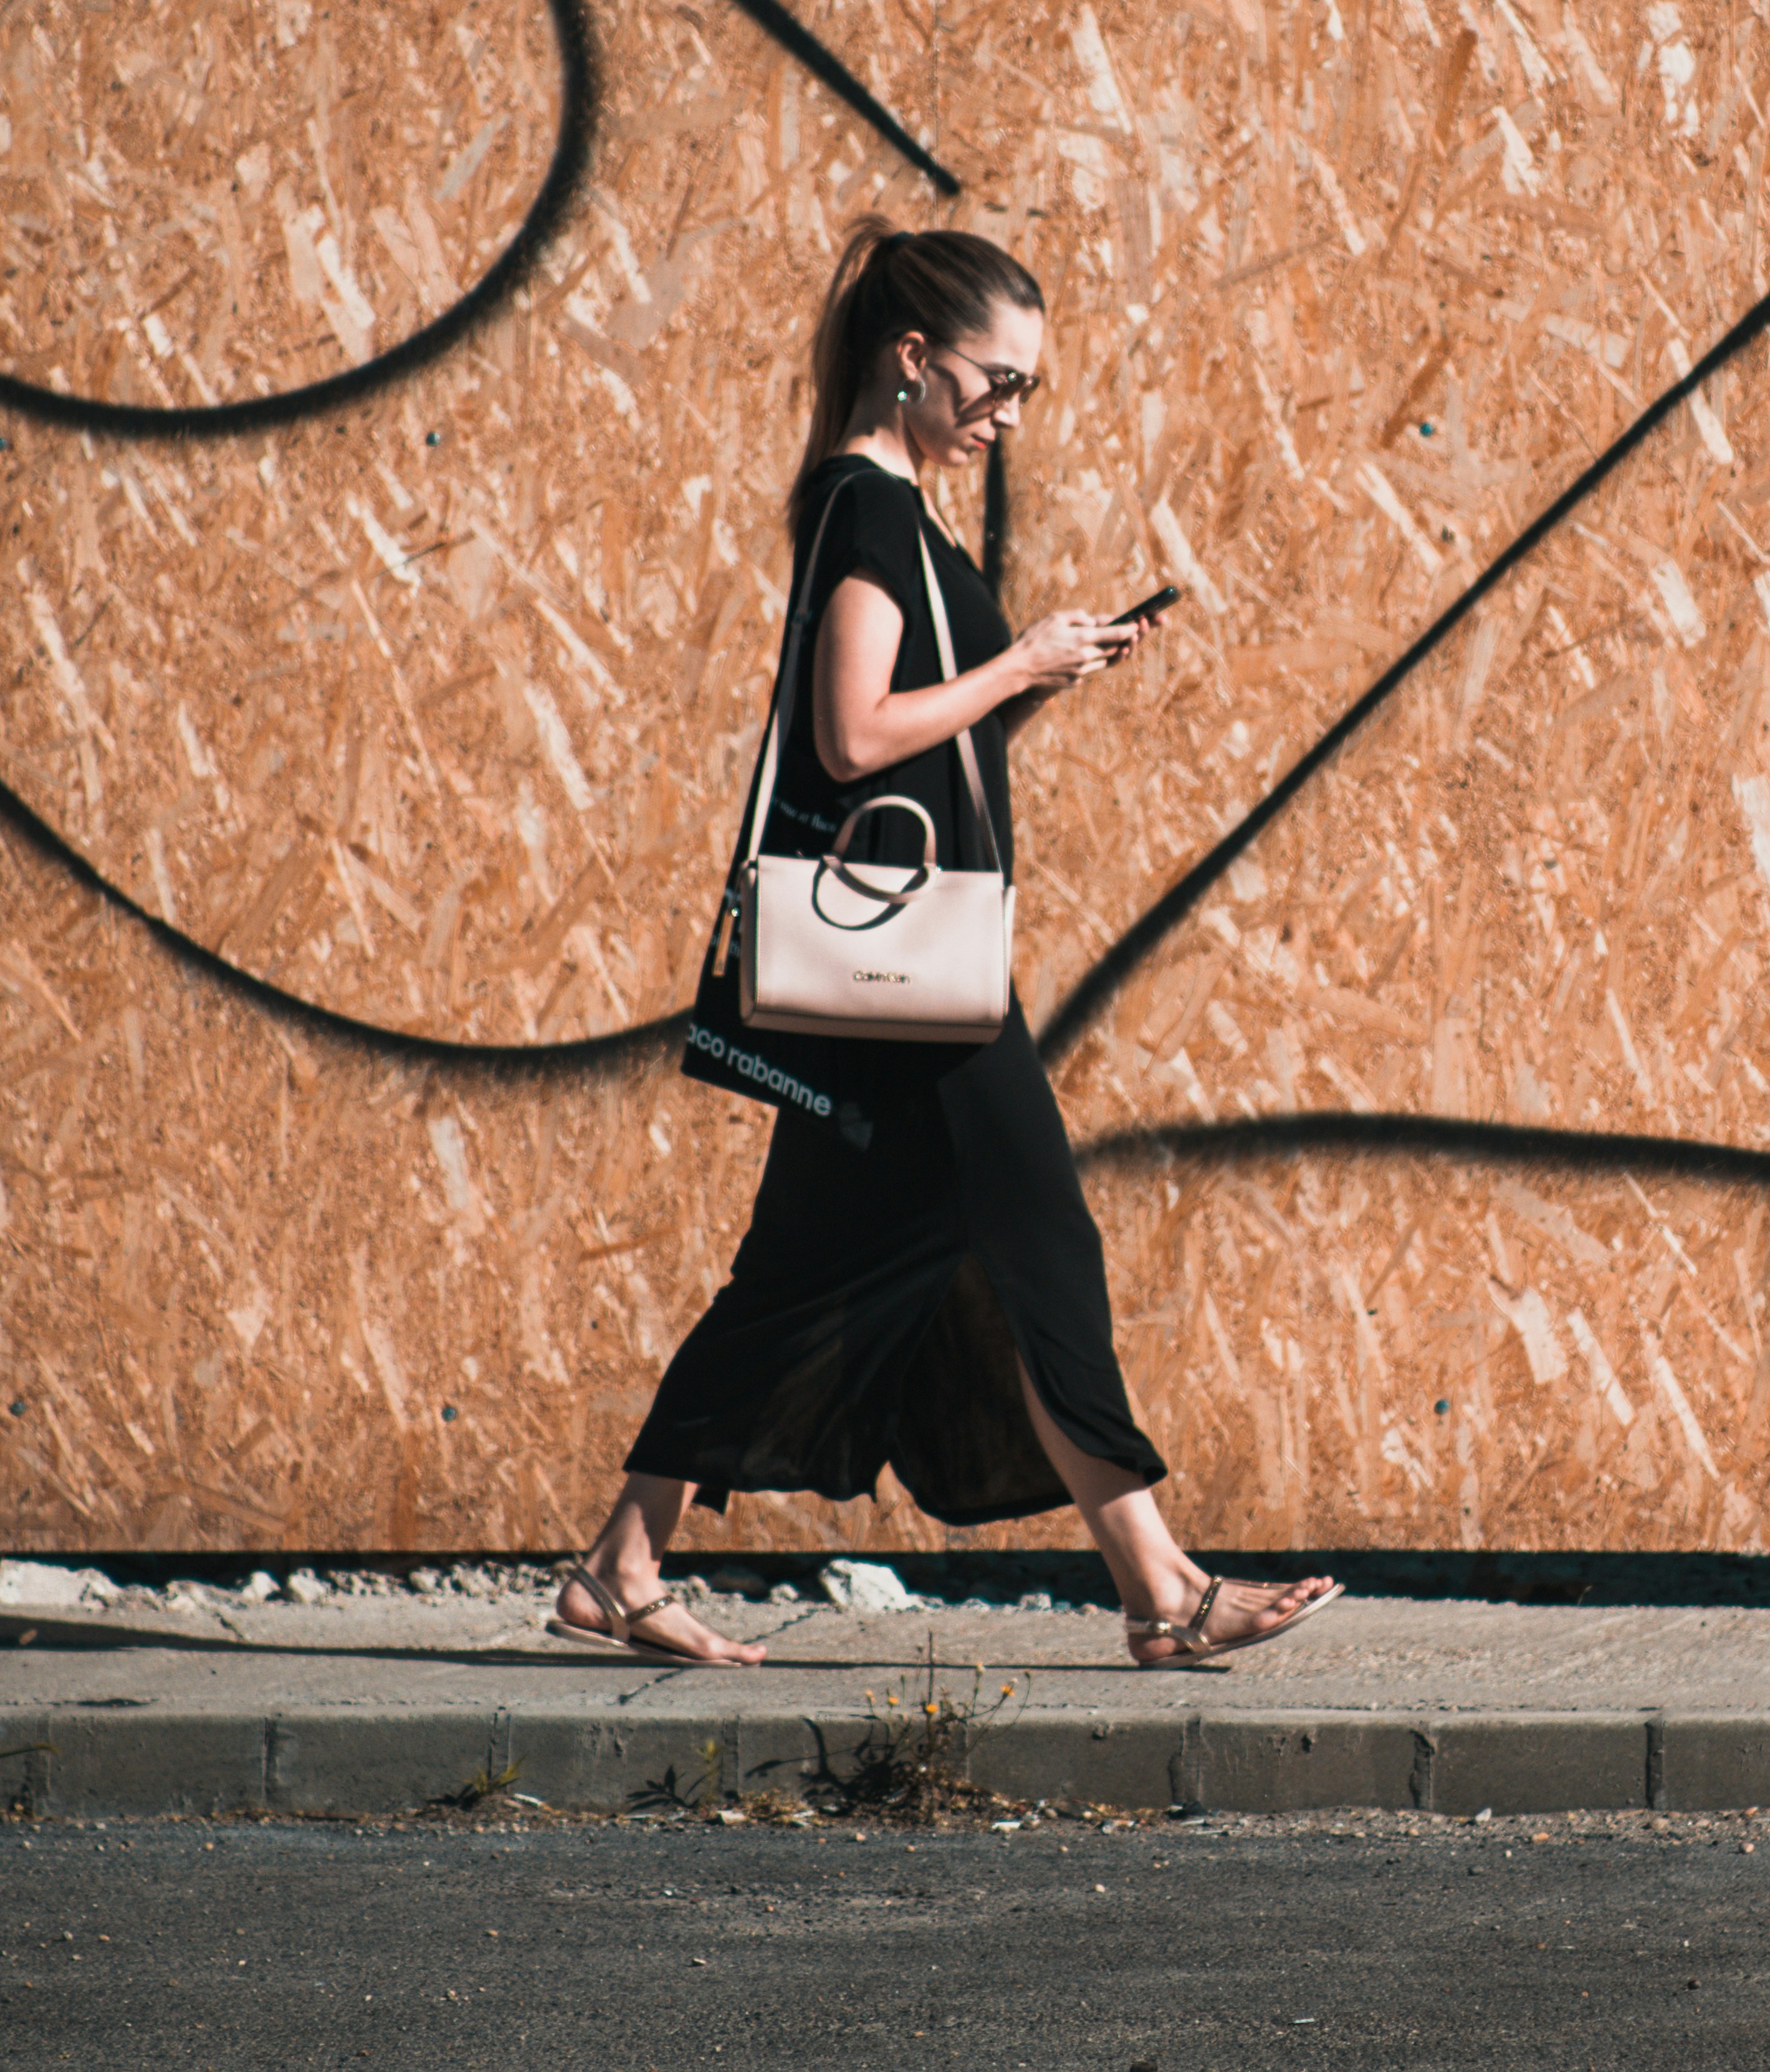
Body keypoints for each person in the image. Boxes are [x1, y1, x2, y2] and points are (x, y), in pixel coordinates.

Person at [549, 219, 1339, 1669]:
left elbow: (925, 744)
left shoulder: (907, 513)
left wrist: (1039, 684)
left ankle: (621, 1561)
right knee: (1041, 1229)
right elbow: (851, 742)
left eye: (1027, 390)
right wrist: (1016, 659)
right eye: (993, 382)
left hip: (906, 971)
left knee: (799, 1270)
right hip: (913, 983)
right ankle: (1161, 1589)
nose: (1008, 415)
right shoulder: (865, 508)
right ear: (910, 358)